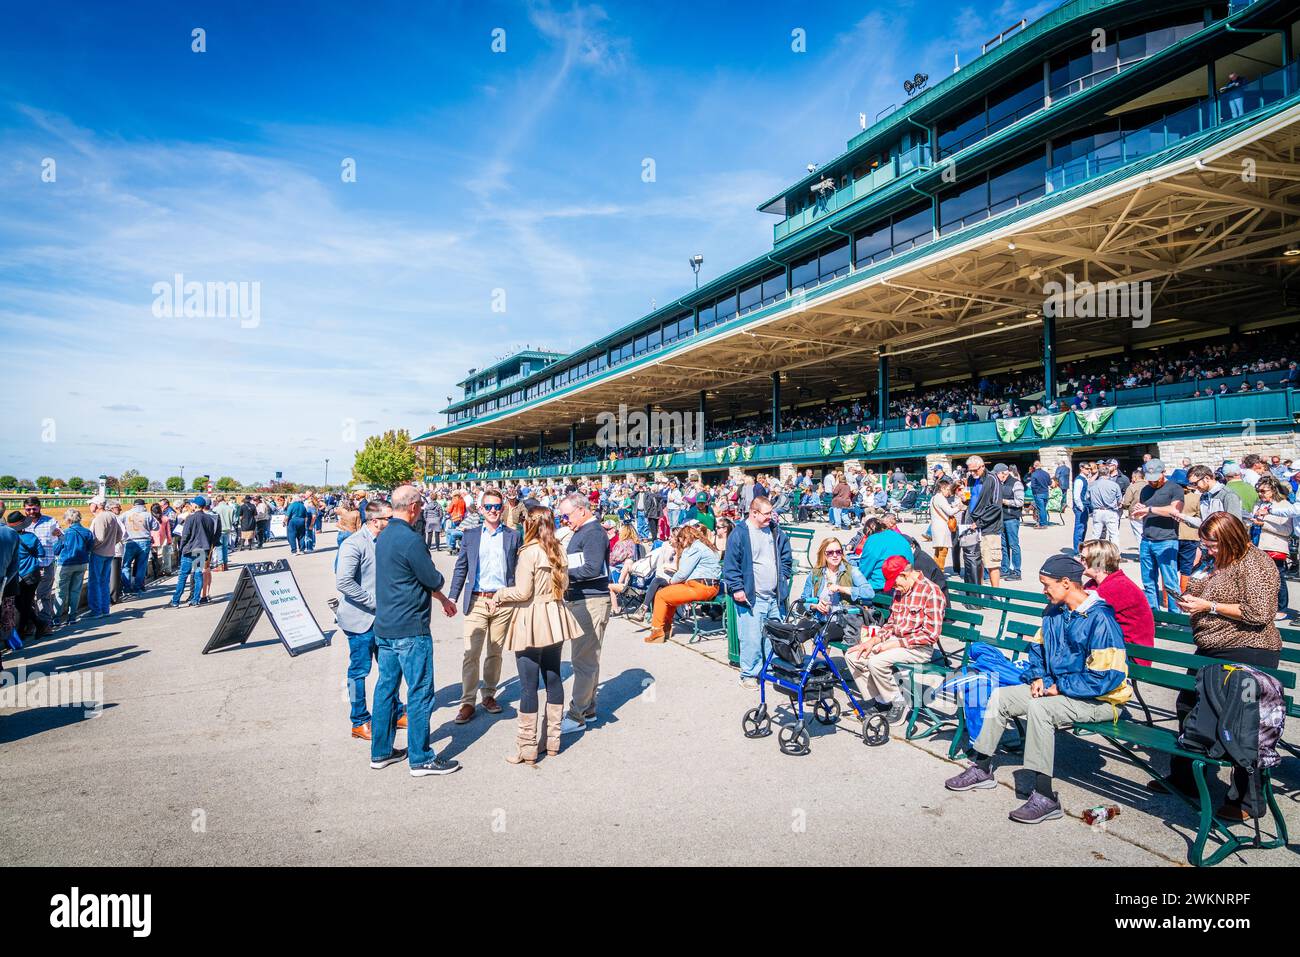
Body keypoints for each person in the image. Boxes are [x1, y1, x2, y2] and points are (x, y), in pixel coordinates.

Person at [944, 555, 1132, 824]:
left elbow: (1107, 677)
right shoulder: (1053, 612)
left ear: (1066, 583)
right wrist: (1039, 677)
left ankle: (1045, 796)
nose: (1044, 591)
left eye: (1047, 585)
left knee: (1041, 709)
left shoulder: (1100, 618)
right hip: (1062, 689)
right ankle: (982, 767)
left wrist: (1060, 686)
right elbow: (1037, 651)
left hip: (1100, 698)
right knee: (1001, 697)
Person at [1154, 512, 1282, 821]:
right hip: (1213, 648)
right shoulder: (1218, 562)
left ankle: (1247, 800)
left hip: (1249, 650)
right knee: (1188, 705)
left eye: (1211, 544)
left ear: (1229, 539)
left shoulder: (1255, 563)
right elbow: (1199, 589)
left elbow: (1259, 612)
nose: (1208, 550)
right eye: (1205, 544)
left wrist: (1209, 607)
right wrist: (1189, 594)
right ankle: (1185, 779)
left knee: (1243, 725)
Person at [372, 484, 461, 777]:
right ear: (412, 507)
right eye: (420, 505)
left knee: (386, 688)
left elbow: (409, 578)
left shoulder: (383, 536)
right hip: (410, 627)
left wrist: (442, 598)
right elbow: (431, 577)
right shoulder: (411, 540)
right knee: (421, 691)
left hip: (386, 625)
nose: (421, 509)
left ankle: (381, 750)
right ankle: (421, 757)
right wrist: (441, 587)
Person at [489, 505, 582, 765]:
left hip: (532, 618)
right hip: (555, 615)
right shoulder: (560, 549)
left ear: (529, 523)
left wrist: (499, 595)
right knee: (553, 677)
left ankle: (526, 747)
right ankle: (552, 741)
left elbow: (522, 592)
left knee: (528, 685)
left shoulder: (529, 552)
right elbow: (564, 586)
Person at [448, 488, 520, 724]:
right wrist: (452, 597)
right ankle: (467, 702)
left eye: (497, 507)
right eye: (488, 507)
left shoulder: (512, 535)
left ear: (503, 508)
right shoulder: (470, 535)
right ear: (480, 509)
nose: (493, 511)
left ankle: (489, 694)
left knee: (495, 652)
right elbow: (461, 567)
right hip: (477, 599)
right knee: (471, 653)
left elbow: (518, 569)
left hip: (503, 600)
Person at [335, 500, 405, 740]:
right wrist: (374, 602)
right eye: (389, 518)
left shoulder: (387, 541)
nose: (393, 522)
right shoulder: (353, 544)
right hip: (359, 621)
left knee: (390, 669)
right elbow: (343, 582)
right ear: (375, 521)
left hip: (385, 619)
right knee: (358, 672)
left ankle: (395, 710)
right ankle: (359, 720)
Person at [843, 556, 943, 723]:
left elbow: (931, 634)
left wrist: (893, 644)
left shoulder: (931, 591)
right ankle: (882, 700)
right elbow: (891, 625)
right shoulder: (900, 590)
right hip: (895, 643)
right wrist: (872, 642)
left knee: (876, 662)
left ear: (905, 574)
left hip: (918, 648)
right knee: (853, 656)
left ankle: (899, 702)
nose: (894, 587)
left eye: (895, 582)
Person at [722, 496, 793, 689]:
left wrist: (783, 576)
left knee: (774, 637)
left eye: (771, 512)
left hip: (774, 596)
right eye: (767, 513)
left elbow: (786, 557)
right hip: (751, 598)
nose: (771, 516)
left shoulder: (775, 531)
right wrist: (737, 588)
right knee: (751, 638)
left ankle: (771, 670)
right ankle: (749, 674)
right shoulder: (740, 533)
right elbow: (731, 565)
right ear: (754, 513)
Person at [557, 491, 612, 734]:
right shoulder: (584, 531)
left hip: (591, 601)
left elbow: (592, 568)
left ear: (581, 510)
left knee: (583, 660)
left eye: (567, 515)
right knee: (588, 658)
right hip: (584, 599)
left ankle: (576, 714)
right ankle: (587, 708)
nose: (565, 520)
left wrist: (562, 574)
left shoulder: (593, 532)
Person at [1080, 539, 1154, 665]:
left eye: (1083, 558)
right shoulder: (1095, 584)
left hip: (1131, 655)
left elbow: (1080, 613)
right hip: (1110, 648)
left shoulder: (1118, 586)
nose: (1079, 562)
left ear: (1098, 562)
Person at [647, 524, 722, 644]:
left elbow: (682, 573)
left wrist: (671, 581)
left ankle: (657, 632)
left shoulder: (694, 548)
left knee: (661, 595)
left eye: (680, 539)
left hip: (701, 587)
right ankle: (665, 628)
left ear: (685, 538)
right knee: (670, 596)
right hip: (705, 585)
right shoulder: (703, 546)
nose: (679, 542)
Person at [1130, 459, 1183, 612]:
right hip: (1146, 540)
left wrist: (1149, 509)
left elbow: (1175, 511)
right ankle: (1153, 614)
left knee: (1170, 581)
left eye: (1156, 479)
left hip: (1166, 540)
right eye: (1149, 479)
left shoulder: (1175, 488)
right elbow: (1141, 514)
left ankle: (1175, 616)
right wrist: (1138, 511)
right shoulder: (1145, 490)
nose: (1152, 483)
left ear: (1163, 473)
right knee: (1148, 581)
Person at [1252, 475, 1296, 622]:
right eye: (1258, 491)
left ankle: (1281, 608)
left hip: (1275, 546)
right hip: (1257, 545)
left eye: (1264, 491)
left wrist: (1263, 524)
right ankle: (1265, 606)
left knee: (1277, 578)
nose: (1260, 494)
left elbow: (1286, 531)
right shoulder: (1258, 504)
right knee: (1259, 579)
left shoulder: (1284, 505)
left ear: (1273, 490)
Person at [170, 496, 220, 608]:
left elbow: (185, 535)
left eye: (193, 504)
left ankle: (176, 600)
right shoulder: (209, 519)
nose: (191, 505)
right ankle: (195, 599)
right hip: (202, 549)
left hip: (189, 549)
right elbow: (211, 535)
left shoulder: (190, 518)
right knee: (198, 574)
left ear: (196, 505)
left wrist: (181, 548)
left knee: (183, 575)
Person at [22, 496, 61, 634]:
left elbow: (62, 538)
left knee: (43, 596)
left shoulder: (50, 521)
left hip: (46, 564)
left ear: (40, 507)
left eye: (34, 508)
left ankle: (45, 625)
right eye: (28, 509)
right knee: (28, 598)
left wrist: (59, 534)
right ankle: (32, 624)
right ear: (24, 509)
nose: (31, 511)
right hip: (27, 567)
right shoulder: (22, 524)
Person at [965, 456, 1004, 588]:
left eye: (975, 470)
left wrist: (980, 522)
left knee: (992, 562)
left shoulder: (992, 479)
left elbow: (996, 506)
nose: (972, 473)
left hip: (989, 527)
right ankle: (978, 591)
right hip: (972, 526)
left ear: (982, 466)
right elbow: (971, 499)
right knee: (976, 562)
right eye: (970, 470)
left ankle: (995, 593)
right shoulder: (971, 478)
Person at [52, 509, 93, 627]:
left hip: (66, 564)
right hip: (81, 564)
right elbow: (90, 547)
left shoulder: (65, 533)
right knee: (75, 591)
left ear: (69, 520)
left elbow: (56, 550)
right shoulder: (87, 532)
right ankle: (72, 617)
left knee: (61, 592)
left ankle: (56, 618)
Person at [6, 510, 42, 639]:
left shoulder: (10, 539)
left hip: (18, 576)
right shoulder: (32, 537)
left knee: (20, 603)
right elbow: (41, 553)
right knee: (26, 603)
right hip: (33, 574)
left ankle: (24, 630)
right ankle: (38, 624)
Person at [87, 497, 122, 618]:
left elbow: (99, 538)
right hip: (110, 552)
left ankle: (96, 611)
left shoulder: (100, 518)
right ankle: (105, 609)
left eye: (90, 504)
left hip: (99, 553)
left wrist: (90, 547)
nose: (89, 506)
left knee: (94, 581)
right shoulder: (112, 516)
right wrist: (111, 543)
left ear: (97, 505)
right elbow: (120, 534)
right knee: (104, 581)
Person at [856, 516, 913, 591]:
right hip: (906, 580)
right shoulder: (899, 537)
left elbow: (864, 570)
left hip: (882, 585)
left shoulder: (873, 540)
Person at [120, 499, 159, 597]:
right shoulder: (147, 515)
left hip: (130, 541)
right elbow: (156, 527)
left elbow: (118, 524)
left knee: (126, 565)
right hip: (144, 540)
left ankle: (127, 588)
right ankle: (137, 587)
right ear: (143, 505)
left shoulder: (126, 514)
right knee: (141, 565)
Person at [1084, 461, 1122, 545]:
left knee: (1095, 535)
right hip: (1110, 511)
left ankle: (1093, 554)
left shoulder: (1092, 485)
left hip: (1098, 511)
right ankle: (1116, 555)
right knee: (1114, 535)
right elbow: (1120, 500)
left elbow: (1086, 497)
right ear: (1108, 473)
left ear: (1099, 474)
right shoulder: (1114, 485)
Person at [998, 464, 1023, 581]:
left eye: (998, 474)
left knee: (1013, 545)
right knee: (1003, 545)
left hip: (1012, 518)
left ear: (1004, 473)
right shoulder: (1000, 484)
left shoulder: (1016, 483)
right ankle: (1005, 569)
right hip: (1001, 518)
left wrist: (1004, 501)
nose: (997, 476)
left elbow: (1019, 502)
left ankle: (1017, 571)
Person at [929, 478, 960, 574]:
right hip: (941, 528)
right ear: (942, 488)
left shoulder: (934, 497)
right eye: (947, 489)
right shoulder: (940, 498)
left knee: (938, 552)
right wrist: (960, 506)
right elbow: (950, 511)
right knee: (943, 551)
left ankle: (936, 571)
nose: (949, 492)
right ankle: (940, 572)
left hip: (937, 527)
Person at [1028, 461, 1052, 527]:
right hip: (1045, 493)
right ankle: (1043, 522)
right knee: (1043, 508)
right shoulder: (1046, 474)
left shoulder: (1034, 474)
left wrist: (1034, 493)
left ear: (1034, 466)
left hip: (1038, 493)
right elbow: (1050, 483)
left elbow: (1032, 485)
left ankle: (1043, 523)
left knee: (1041, 509)